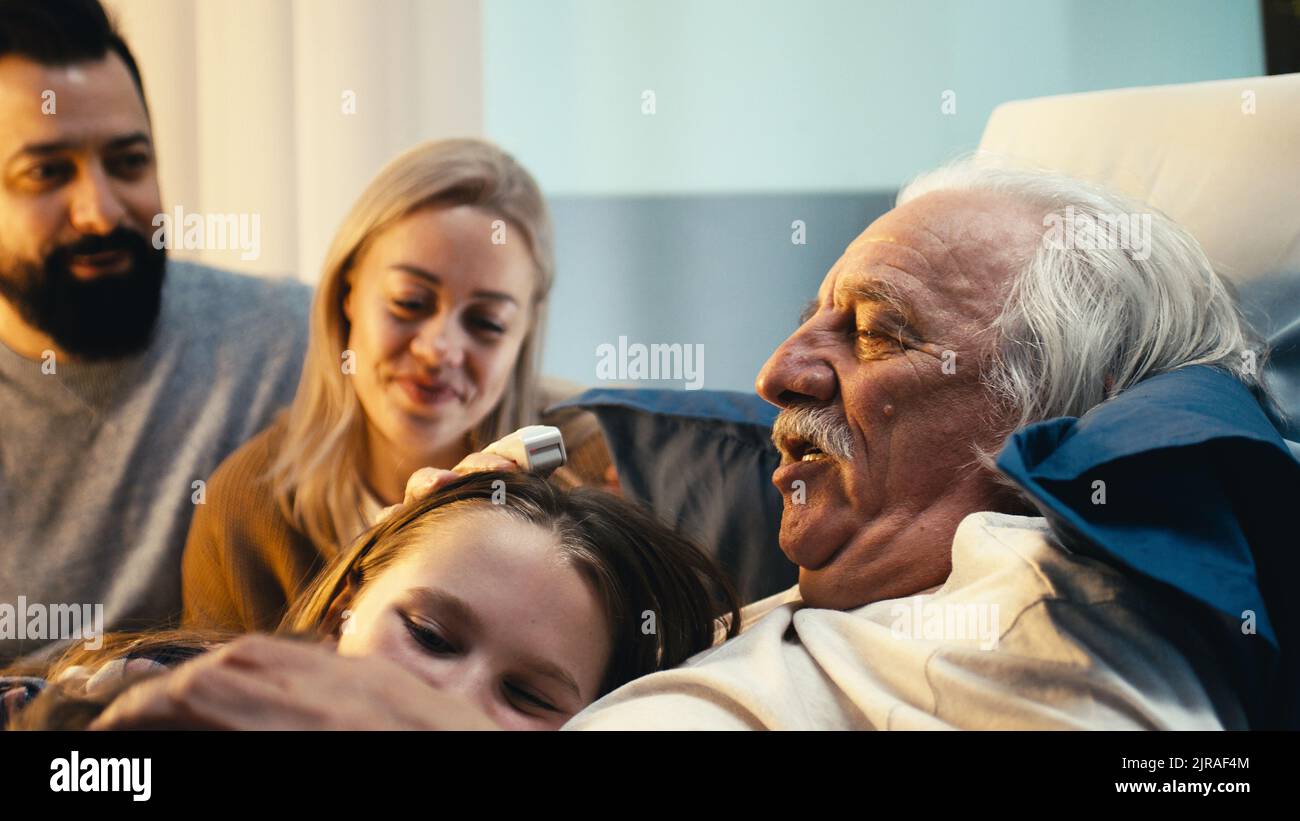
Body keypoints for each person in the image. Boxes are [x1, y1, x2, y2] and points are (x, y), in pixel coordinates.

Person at [77, 160, 1281, 730]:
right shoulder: (806, 609)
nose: (779, 372)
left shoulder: (1047, 630)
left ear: (1044, 416)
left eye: (872, 331)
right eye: (815, 317)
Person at [0, 0, 309, 665]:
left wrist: (577, 440)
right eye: (47, 173)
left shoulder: (285, 340)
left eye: (129, 161)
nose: (102, 211)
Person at [179, 137, 570, 633]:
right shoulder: (245, 511)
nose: (438, 350)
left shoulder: (593, 464)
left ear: (523, 334)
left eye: (488, 323)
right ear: (348, 291)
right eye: (409, 302)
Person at [4, 472, 741, 731]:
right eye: (427, 633)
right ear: (340, 613)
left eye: (525, 695)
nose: (448, 696)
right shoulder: (138, 702)